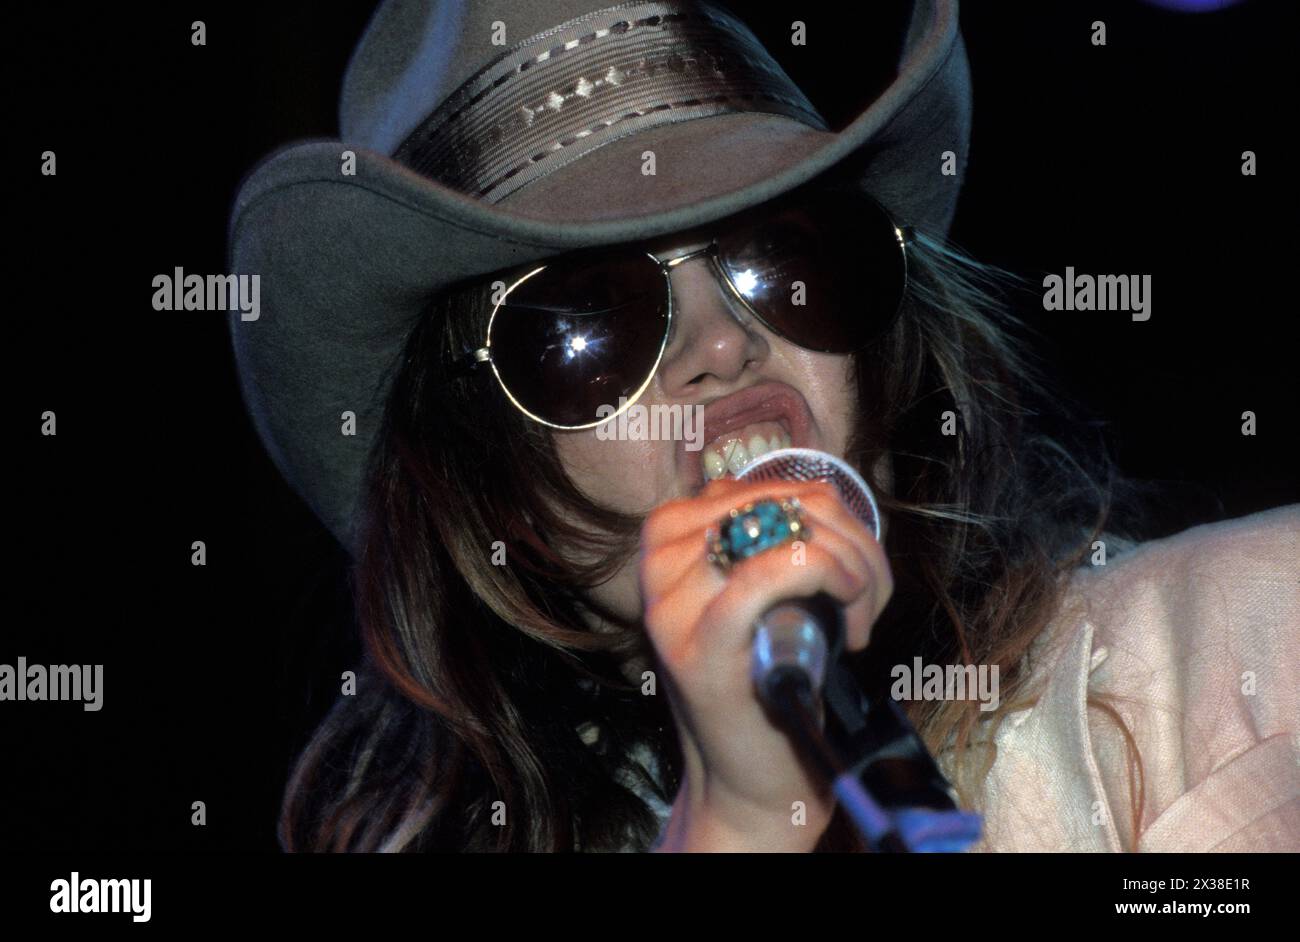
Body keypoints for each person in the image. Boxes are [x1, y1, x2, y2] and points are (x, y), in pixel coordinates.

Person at [227, 0, 1299, 852]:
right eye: (590, 317)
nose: (725, 341)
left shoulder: (1229, 663)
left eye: (787, 260)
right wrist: (743, 821)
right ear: (492, 486)